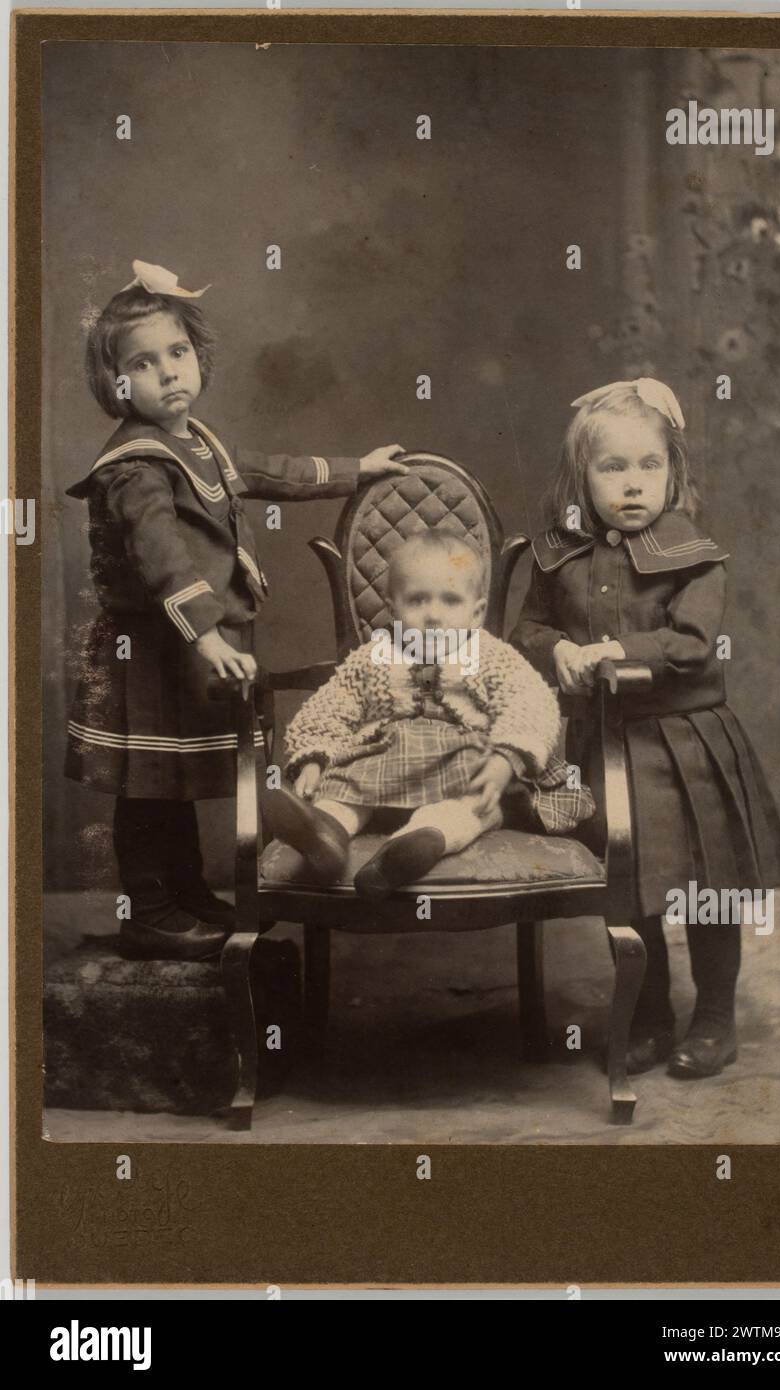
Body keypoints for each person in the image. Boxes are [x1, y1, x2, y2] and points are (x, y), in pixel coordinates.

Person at [64, 259, 407, 960]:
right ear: (115, 382)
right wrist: (207, 633)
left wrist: (356, 469)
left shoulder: (199, 443)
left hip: (190, 647)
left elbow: (267, 471)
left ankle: (185, 892)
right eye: (143, 363)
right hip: (156, 649)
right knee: (149, 785)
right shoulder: (135, 464)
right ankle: (148, 911)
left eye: (178, 352)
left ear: (198, 355)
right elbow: (163, 555)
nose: (167, 372)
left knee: (176, 780)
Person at [510, 378, 780, 1080]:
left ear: (673, 472)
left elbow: (691, 643)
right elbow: (527, 629)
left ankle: (715, 1018)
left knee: (705, 885)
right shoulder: (559, 555)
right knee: (627, 886)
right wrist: (562, 652)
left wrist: (617, 651)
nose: (633, 484)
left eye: (648, 466)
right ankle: (651, 1013)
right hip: (604, 749)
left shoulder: (694, 555)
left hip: (684, 745)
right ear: (582, 478)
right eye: (612, 468)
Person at [263, 530, 595, 899]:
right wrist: (312, 758)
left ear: (476, 611)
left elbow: (530, 702)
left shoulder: (491, 656)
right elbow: (330, 707)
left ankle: (414, 846)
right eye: (417, 600)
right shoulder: (375, 656)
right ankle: (326, 833)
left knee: (474, 805)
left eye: (450, 601)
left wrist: (506, 758)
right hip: (383, 770)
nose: (433, 616)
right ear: (393, 607)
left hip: (465, 764)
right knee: (343, 789)